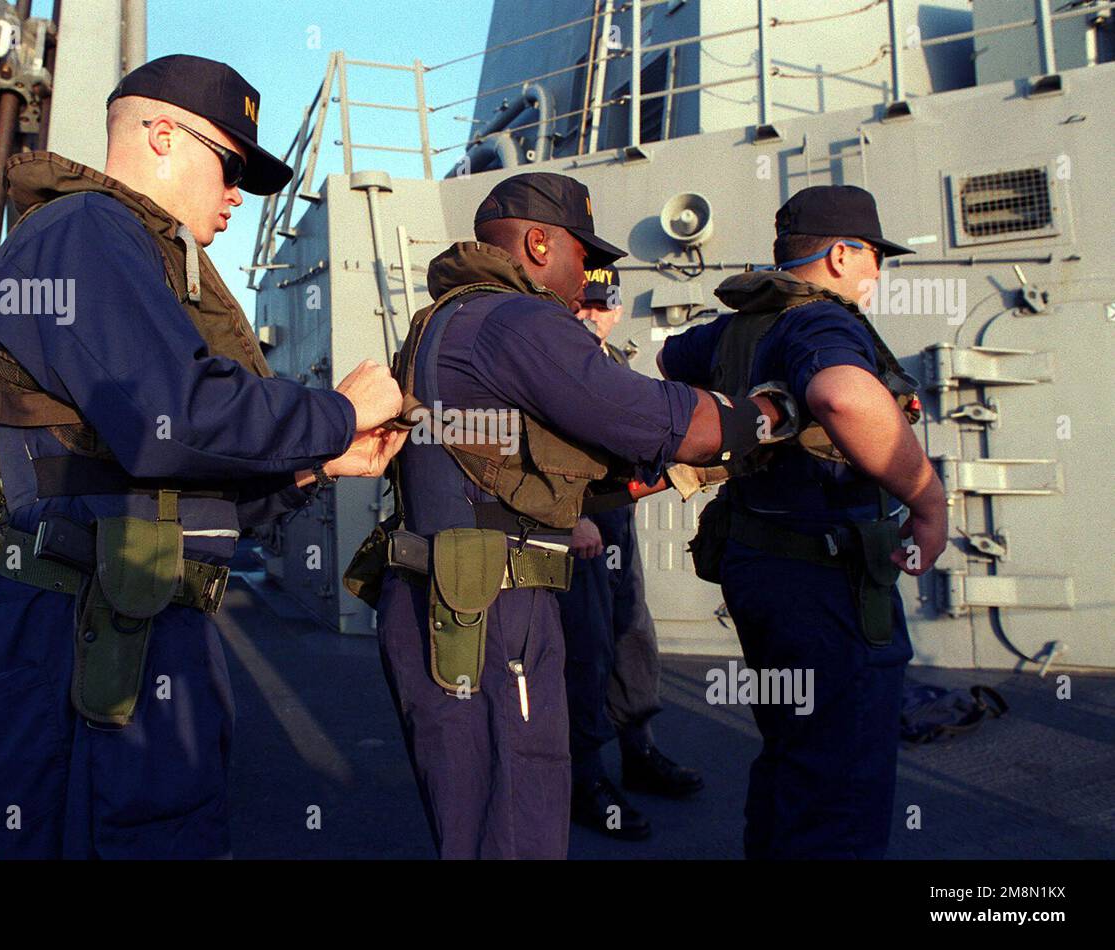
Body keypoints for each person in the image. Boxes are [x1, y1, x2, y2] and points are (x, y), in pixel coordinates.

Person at [0, 54, 405, 859]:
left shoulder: (128, 254)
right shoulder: (85, 232)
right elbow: (173, 420)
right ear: (160, 135)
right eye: (230, 167)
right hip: (85, 632)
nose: (235, 196)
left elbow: (184, 487)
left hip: (131, 617)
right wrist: (339, 411)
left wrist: (317, 464)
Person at [367, 172, 799, 859]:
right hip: (491, 612)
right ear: (539, 243)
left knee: (479, 822)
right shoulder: (519, 318)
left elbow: (535, 459)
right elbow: (647, 415)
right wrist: (767, 415)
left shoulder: (448, 318)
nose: (588, 277)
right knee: (517, 820)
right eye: (583, 256)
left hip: (456, 598)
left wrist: (668, 470)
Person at [657, 184, 948, 859]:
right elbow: (843, 396)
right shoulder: (822, 320)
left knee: (793, 756)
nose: (878, 272)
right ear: (843, 255)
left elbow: (672, 360)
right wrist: (929, 501)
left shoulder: (740, 326)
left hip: (761, 570)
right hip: (828, 584)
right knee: (842, 784)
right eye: (876, 256)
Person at [558, 266, 703, 843]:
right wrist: (571, 518)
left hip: (616, 521)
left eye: (601, 306)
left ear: (616, 311)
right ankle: (584, 776)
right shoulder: (555, 366)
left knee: (631, 633)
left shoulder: (613, 368)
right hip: (577, 529)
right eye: (582, 305)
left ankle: (639, 750)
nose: (591, 315)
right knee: (585, 647)